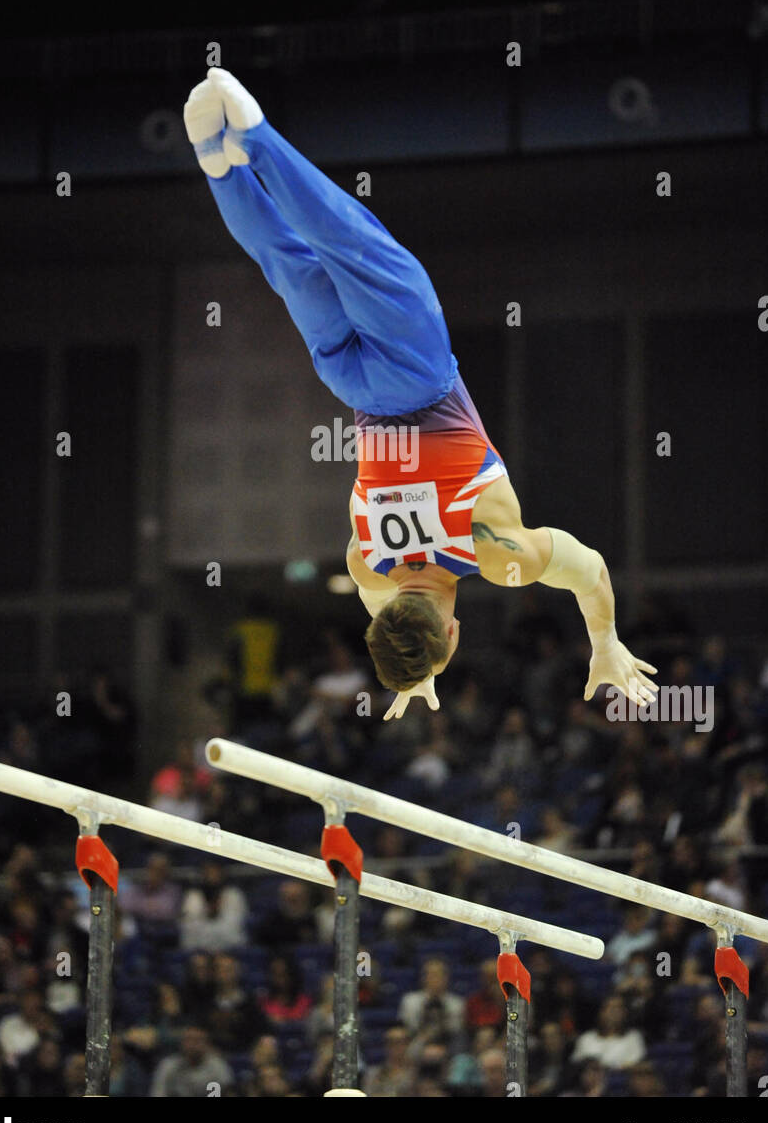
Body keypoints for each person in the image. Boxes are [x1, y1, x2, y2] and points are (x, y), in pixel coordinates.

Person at [184, 70, 659, 718]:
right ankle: (219, 165)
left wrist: (604, 642)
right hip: (348, 383)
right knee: (290, 265)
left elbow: (592, 569)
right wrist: (407, 668)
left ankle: (256, 137)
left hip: (415, 377)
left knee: (353, 246)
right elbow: (381, 606)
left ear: (454, 633)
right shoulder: (366, 565)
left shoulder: (494, 554)